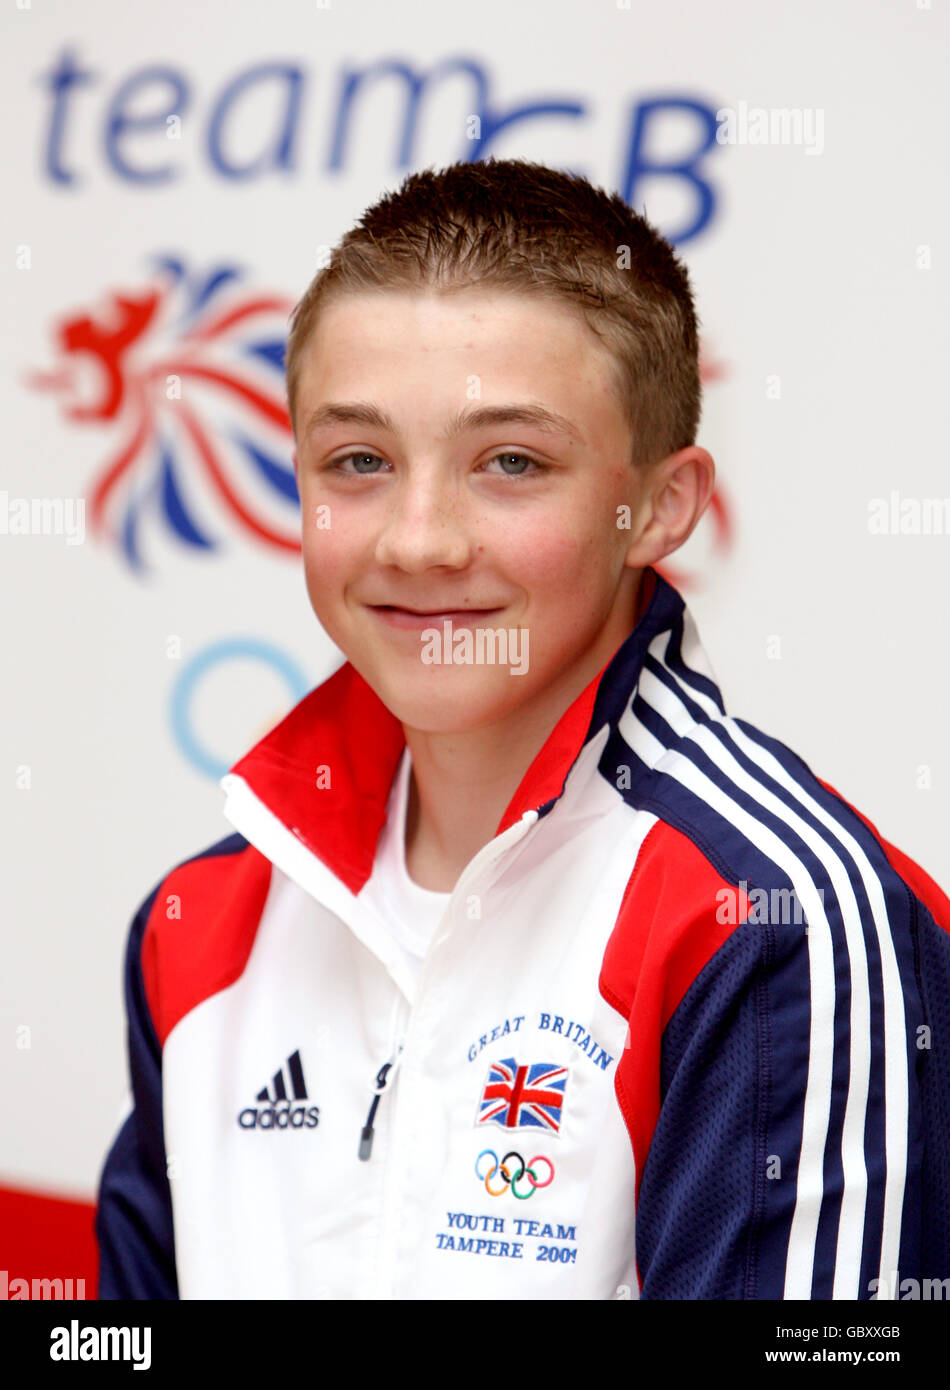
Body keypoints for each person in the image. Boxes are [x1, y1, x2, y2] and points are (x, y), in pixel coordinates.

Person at [96, 156, 950, 1300]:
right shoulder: (196, 928)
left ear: (659, 505)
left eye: (509, 462)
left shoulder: (775, 918)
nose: (418, 540)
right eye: (358, 460)